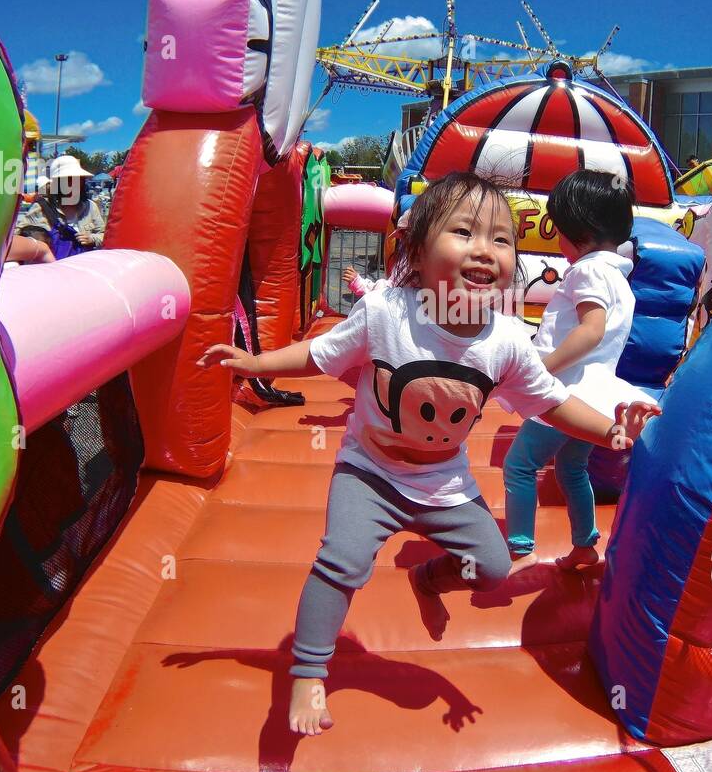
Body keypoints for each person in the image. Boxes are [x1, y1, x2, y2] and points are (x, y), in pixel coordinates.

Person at [197, 171, 660, 735]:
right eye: (464, 232)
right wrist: (255, 364)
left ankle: (430, 581)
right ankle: (309, 671)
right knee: (343, 560)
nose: (485, 250)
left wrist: (613, 433)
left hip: (444, 485)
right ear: (416, 253)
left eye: (502, 238)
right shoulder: (388, 313)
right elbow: (318, 355)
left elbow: (555, 404)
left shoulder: (507, 340)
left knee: (491, 567)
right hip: (369, 473)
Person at [502, 169, 651, 573]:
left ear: (579, 232)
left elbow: (591, 331)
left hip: (565, 391)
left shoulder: (586, 270)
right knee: (572, 467)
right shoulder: (619, 276)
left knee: (519, 466)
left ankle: (521, 551)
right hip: (595, 392)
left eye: (561, 234)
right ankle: (585, 546)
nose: (560, 244)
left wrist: (536, 369)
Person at [17, 155, 105, 259]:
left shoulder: (90, 207)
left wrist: (92, 239)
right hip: (52, 269)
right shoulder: (41, 207)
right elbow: (18, 235)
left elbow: (104, 234)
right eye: (68, 180)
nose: (74, 184)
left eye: (79, 179)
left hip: (84, 267)